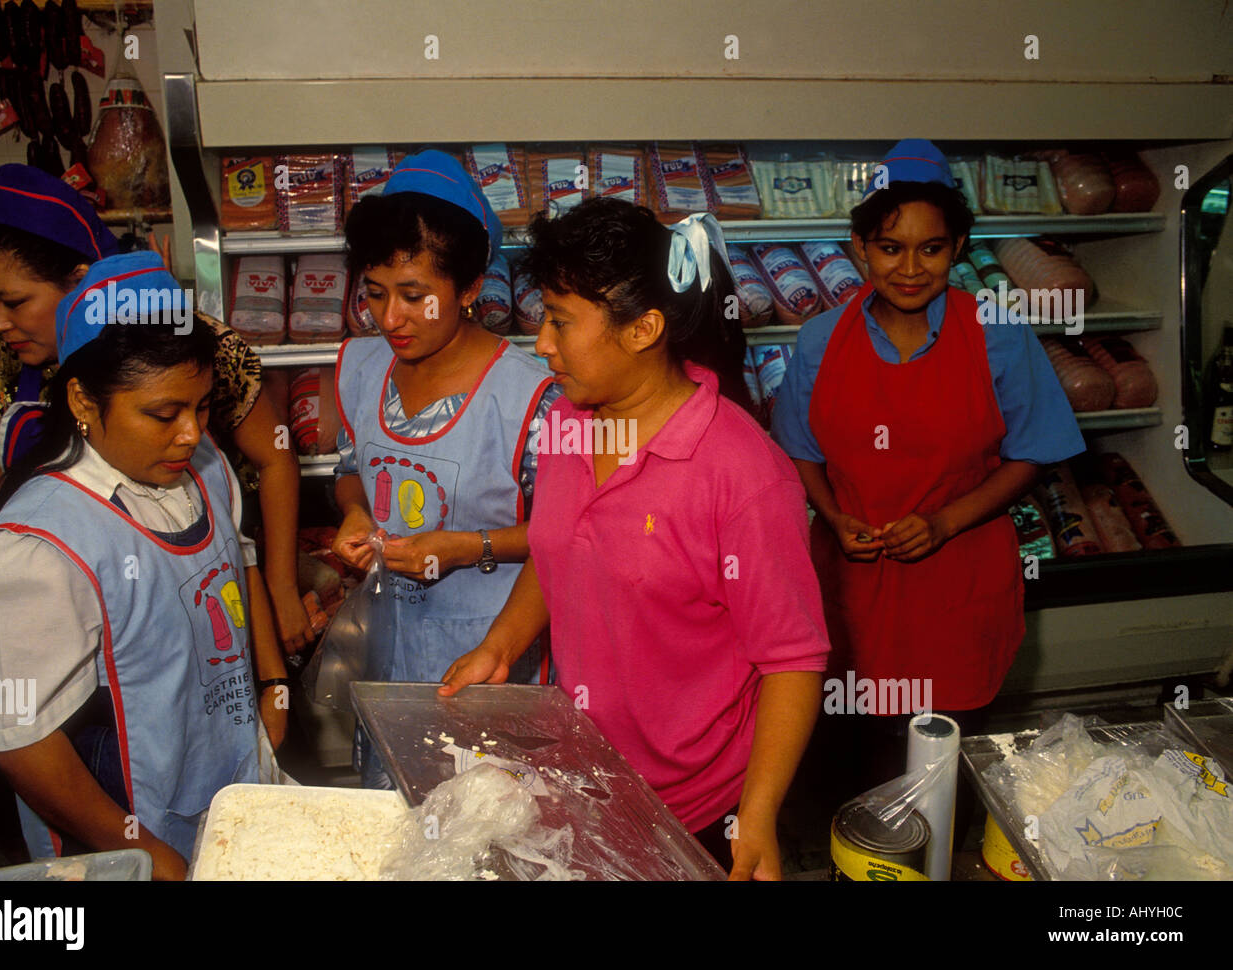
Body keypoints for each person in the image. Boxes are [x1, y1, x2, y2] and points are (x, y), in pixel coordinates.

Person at [440, 198, 830, 880]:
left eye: (561, 322)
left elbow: (792, 660)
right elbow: (560, 549)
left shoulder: (742, 477)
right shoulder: (570, 420)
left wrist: (760, 814)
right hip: (582, 773)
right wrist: (498, 648)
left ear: (644, 328)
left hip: (696, 805)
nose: (544, 344)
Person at [0, 253, 287, 879]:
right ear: (81, 398)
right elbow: (21, 740)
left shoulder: (202, 467)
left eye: (203, 406)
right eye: (163, 414)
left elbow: (237, 565)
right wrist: (143, 853)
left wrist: (273, 690)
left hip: (228, 784)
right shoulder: (38, 550)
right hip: (124, 830)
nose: (191, 434)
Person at [770, 139, 1085, 800]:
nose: (910, 269)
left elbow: (1034, 450)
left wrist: (943, 523)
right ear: (860, 248)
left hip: (959, 591)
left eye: (931, 249)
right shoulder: (821, 340)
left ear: (960, 246)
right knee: (852, 778)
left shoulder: (998, 333)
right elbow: (800, 447)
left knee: (942, 784)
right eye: (890, 248)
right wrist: (833, 515)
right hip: (851, 592)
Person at [0, 164, 314, 656]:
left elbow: (275, 457)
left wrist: (280, 587)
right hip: (75, 594)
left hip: (207, 574)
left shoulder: (186, 345)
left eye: (14, 301)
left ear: (79, 280)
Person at [332, 150, 559, 694]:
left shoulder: (530, 398)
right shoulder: (360, 368)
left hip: (491, 658)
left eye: (414, 296)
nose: (389, 319)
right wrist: (356, 512)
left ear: (470, 288)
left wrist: (466, 547)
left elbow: (563, 533)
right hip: (388, 649)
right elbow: (350, 467)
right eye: (375, 293)